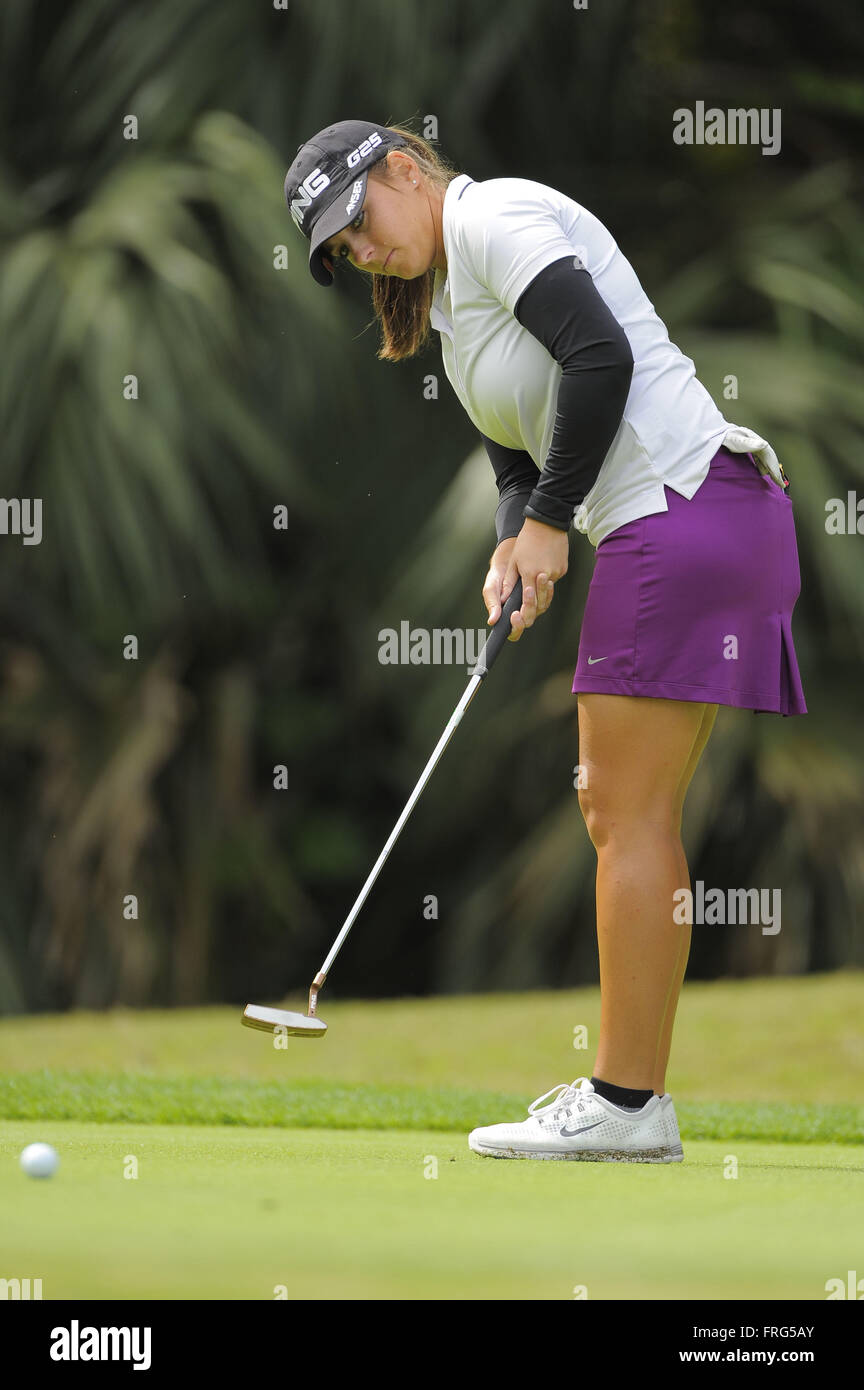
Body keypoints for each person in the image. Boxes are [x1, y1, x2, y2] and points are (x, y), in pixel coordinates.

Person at [283, 119, 807, 1163]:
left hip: (680, 505)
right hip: (696, 516)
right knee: (627, 808)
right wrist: (511, 542)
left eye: (360, 222)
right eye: (342, 251)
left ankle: (623, 1102)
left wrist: (552, 525)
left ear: (402, 169)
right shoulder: (451, 314)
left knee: (623, 810)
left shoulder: (497, 216)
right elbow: (518, 457)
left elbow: (598, 356)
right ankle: (634, 1100)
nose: (362, 250)